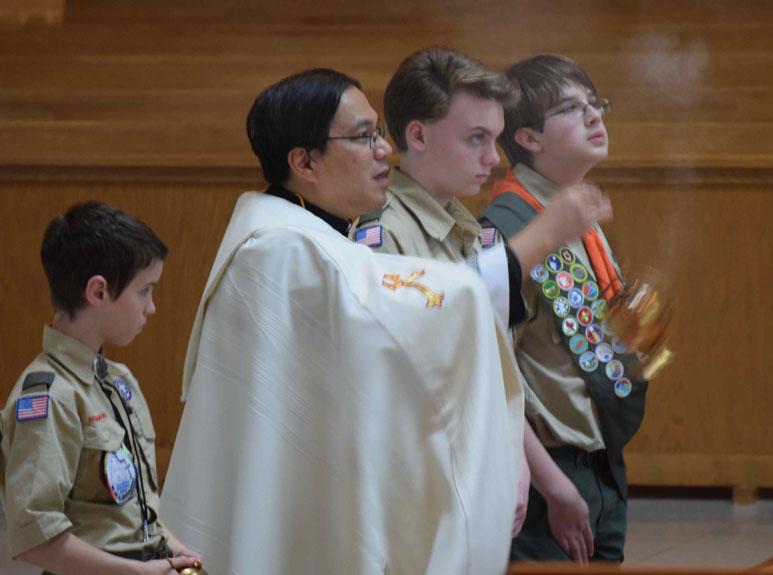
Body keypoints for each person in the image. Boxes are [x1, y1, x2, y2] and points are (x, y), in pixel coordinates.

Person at [160, 68, 526, 575]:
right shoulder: (278, 252)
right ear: (304, 162)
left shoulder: (306, 237)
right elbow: (389, 315)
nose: (384, 151)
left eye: (378, 132)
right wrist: (472, 286)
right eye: (363, 137)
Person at [354, 46, 611, 560]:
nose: (493, 159)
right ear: (418, 136)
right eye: (476, 140)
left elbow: (493, 367)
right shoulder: (384, 234)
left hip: (482, 469)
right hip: (425, 481)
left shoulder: (466, 228)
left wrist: (514, 457)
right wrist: (542, 237)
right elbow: (426, 347)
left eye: (494, 140)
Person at [480, 54, 649, 562]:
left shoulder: (578, 212)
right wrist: (554, 488)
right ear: (529, 138)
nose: (595, 116)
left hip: (601, 463)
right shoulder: (511, 231)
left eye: (596, 104)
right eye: (573, 109)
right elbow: (493, 373)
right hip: (548, 473)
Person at [0, 201, 204, 575]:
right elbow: (35, 538)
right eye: (145, 291)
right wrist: (134, 572)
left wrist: (175, 551)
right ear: (98, 292)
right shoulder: (48, 397)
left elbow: (128, 512)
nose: (152, 307)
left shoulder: (117, 380)